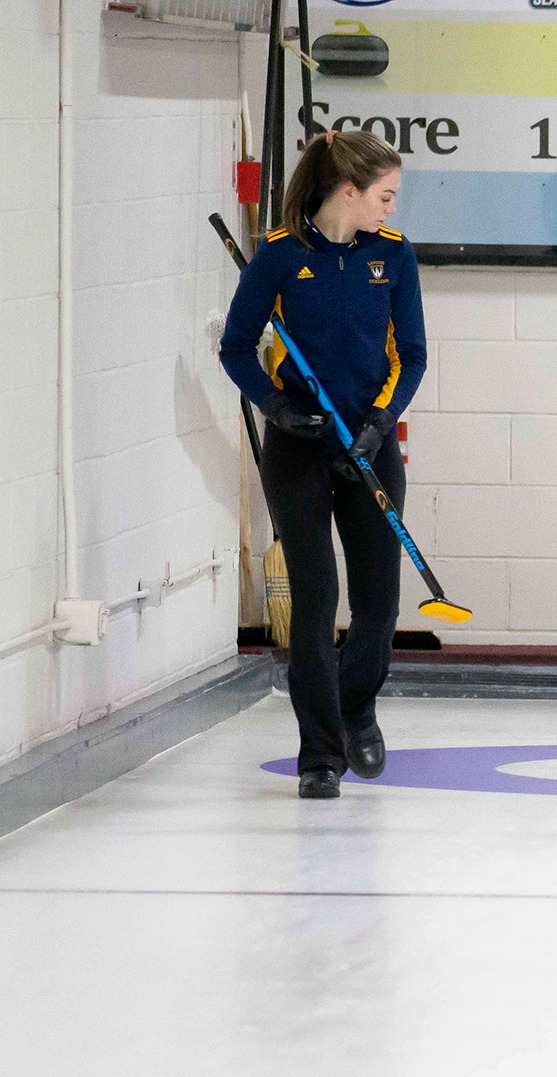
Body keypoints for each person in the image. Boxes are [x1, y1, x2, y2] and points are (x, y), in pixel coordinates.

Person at [218, 130, 426, 799]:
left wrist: (379, 421)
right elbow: (237, 347)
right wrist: (276, 407)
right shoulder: (281, 257)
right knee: (315, 603)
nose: (390, 209)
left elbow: (413, 354)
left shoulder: (392, 256)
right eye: (384, 196)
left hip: (367, 445)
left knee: (377, 608)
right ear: (348, 191)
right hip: (299, 449)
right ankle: (319, 752)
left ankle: (356, 702)